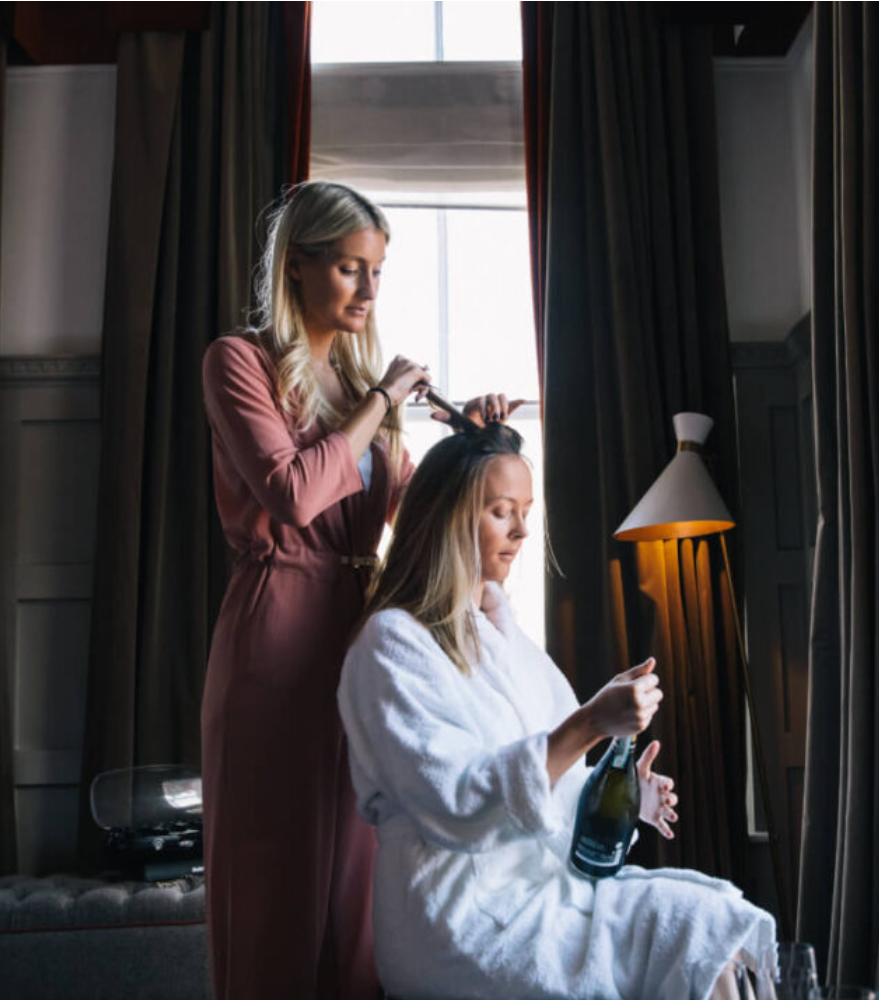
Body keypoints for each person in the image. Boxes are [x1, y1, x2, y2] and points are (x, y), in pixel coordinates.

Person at [199, 181, 517, 1000]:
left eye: (375, 272)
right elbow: (293, 494)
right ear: (296, 268)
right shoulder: (239, 362)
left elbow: (416, 519)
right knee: (274, 878)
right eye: (349, 269)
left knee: (359, 874)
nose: (369, 293)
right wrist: (382, 401)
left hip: (364, 632)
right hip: (275, 630)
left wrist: (471, 447)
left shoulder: (355, 385)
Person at [338, 423, 779, 1000]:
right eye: (501, 511)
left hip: (544, 890)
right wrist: (590, 722)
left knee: (712, 924)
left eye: (525, 510)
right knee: (693, 930)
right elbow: (453, 802)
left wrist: (621, 799)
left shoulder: (505, 639)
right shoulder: (393, 643)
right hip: (457, 917)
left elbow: (554, 792)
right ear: (448, 517)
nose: (522, 530)